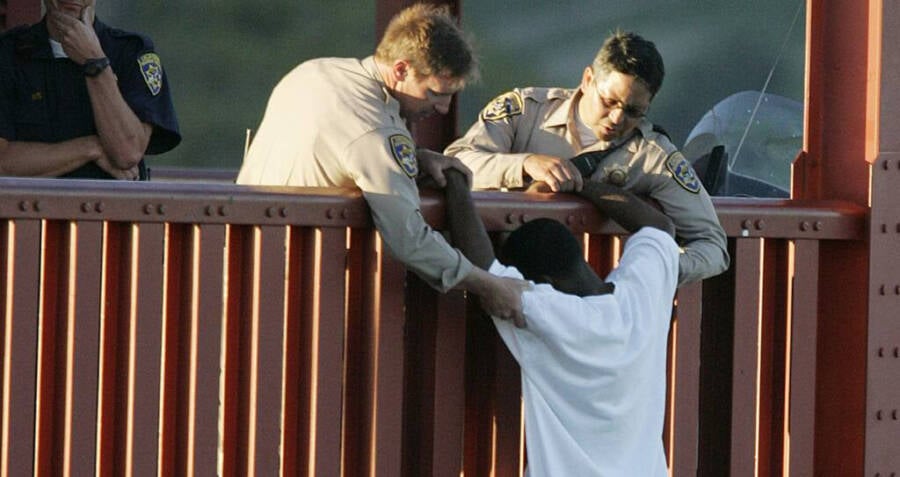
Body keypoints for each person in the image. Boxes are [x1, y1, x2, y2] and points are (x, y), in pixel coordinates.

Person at [236, 3, 527, 321]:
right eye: (434, 93)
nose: (442, 109)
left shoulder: (313, 72)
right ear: (401, 69)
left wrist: (415, 158)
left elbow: (336, 147)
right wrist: (489, 285)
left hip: (238, 263)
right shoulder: (375, 132)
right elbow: (409, 238)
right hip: (295, 291)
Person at [445, 30, 728, 285]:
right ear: (588, 79)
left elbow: (712, 247)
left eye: (633, 111)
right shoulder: (524, 111)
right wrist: (525, 164)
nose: (617, 118)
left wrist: (656, 272)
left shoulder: (655, 157)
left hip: (587, 305)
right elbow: (457, 160)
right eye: (609, 102)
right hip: (490, 281)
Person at [443, 169, 678, 476]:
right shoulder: (642, 299)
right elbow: (660, 226)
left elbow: (485, 269)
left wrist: (454, 178)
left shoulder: (551, 314)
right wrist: (580, 182)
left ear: (541, 282)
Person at [0, 0, 180, 180]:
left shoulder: (131, 52)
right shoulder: (8, 54)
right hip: (32, 206)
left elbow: (127, 154)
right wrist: (90, 148)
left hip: (113, 206)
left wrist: (95, 62)